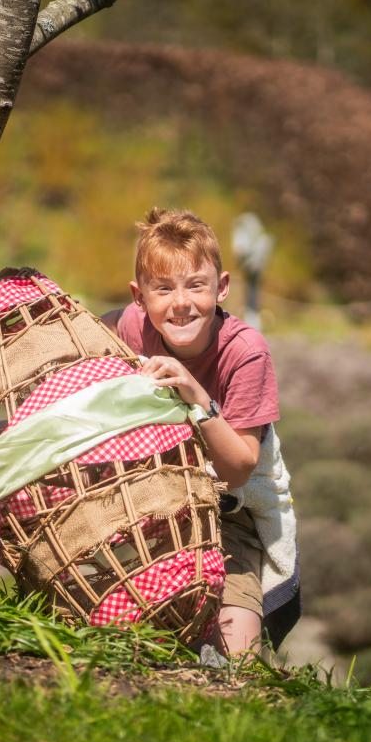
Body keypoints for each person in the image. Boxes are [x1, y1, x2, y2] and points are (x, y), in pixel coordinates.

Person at [102, 207, 300, 658]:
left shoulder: (245, 352)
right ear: (139, 296)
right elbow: (93, 339)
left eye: (196, 285)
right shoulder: (129, 327)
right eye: (163, 289)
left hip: (229, 515)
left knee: (238, 658)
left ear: (222, 287)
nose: (181, 303)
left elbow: (240, 469)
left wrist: (197, 396)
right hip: (148, 500)